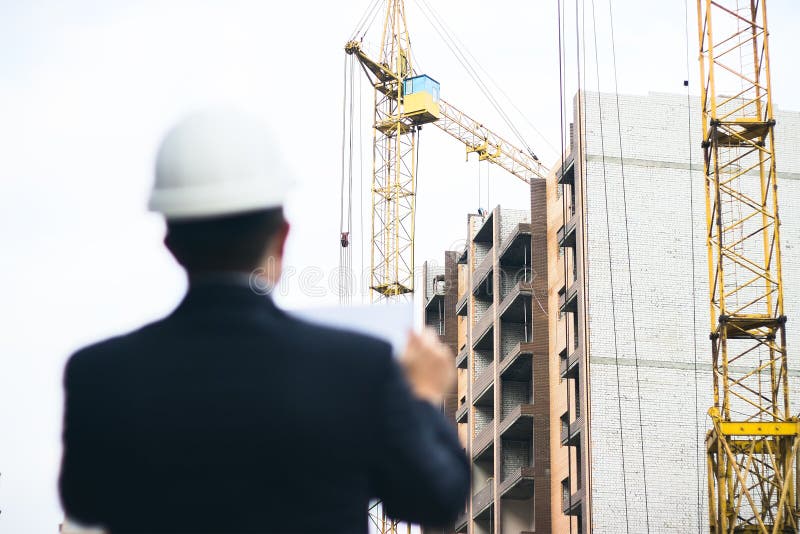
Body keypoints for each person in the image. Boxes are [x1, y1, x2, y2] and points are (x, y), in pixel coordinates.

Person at [59, 110, 469, 534]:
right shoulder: (358, 368)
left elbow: (85, 501)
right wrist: (422, 395)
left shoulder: (99, 376)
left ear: (171, 244)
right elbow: (436, 498)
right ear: (282, 236)